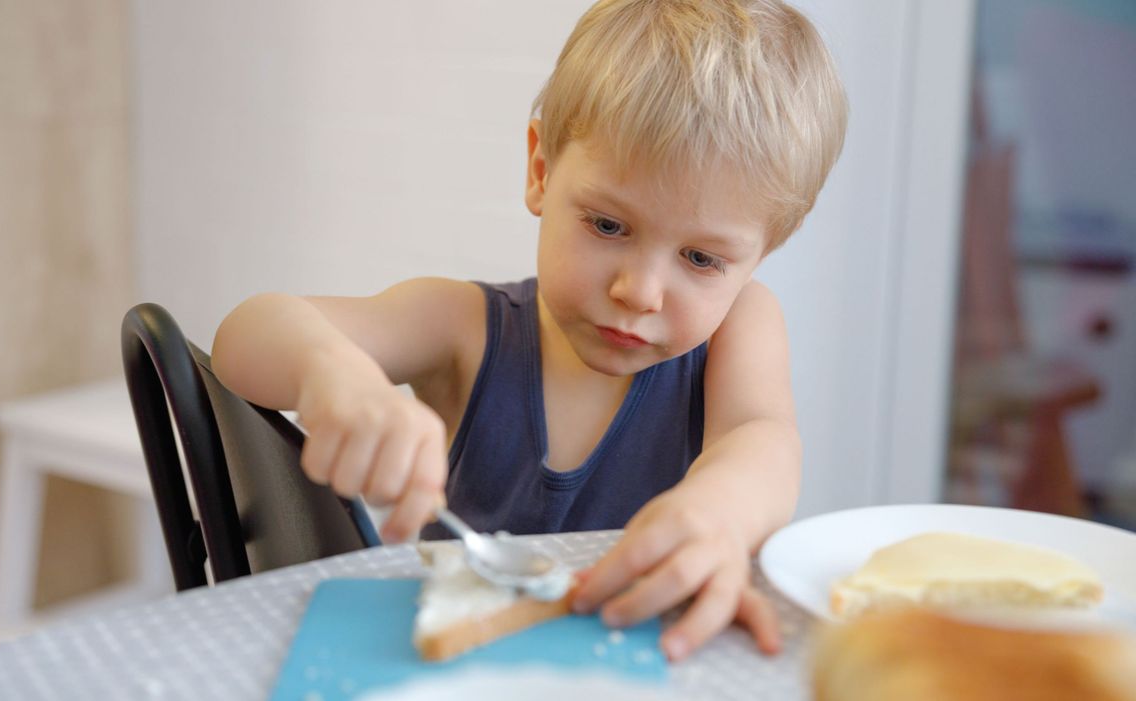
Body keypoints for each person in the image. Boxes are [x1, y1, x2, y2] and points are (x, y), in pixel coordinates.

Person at [211, 0, 847, 662]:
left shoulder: (743, 325)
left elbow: (763, 441)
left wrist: (720, 514)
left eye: (701, 259)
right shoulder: (463, 327)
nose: (640, 291)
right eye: (607, 225)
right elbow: (245, 337)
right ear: (541, 170)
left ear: (762, 253)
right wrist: (330, 372)